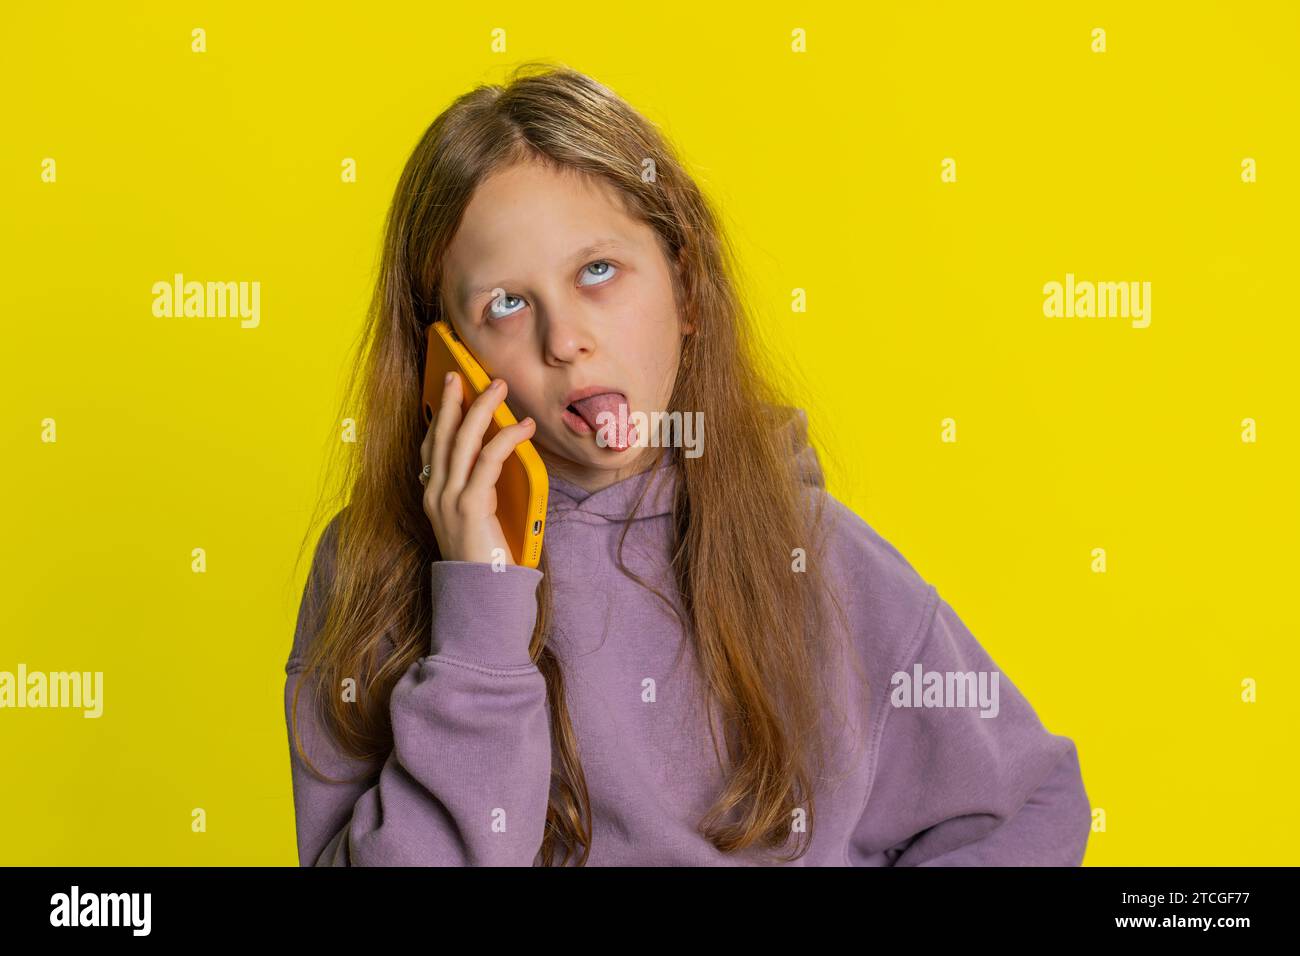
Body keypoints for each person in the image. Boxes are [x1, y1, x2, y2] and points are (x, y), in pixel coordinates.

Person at [283, 62, 1092, 867]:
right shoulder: (374, 576)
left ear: (688, 288)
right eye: (507, 303)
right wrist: (480, 619)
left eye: (597, 271)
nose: (565, 338)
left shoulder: (818, 556)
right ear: (447, 359)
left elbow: (1030, 807)